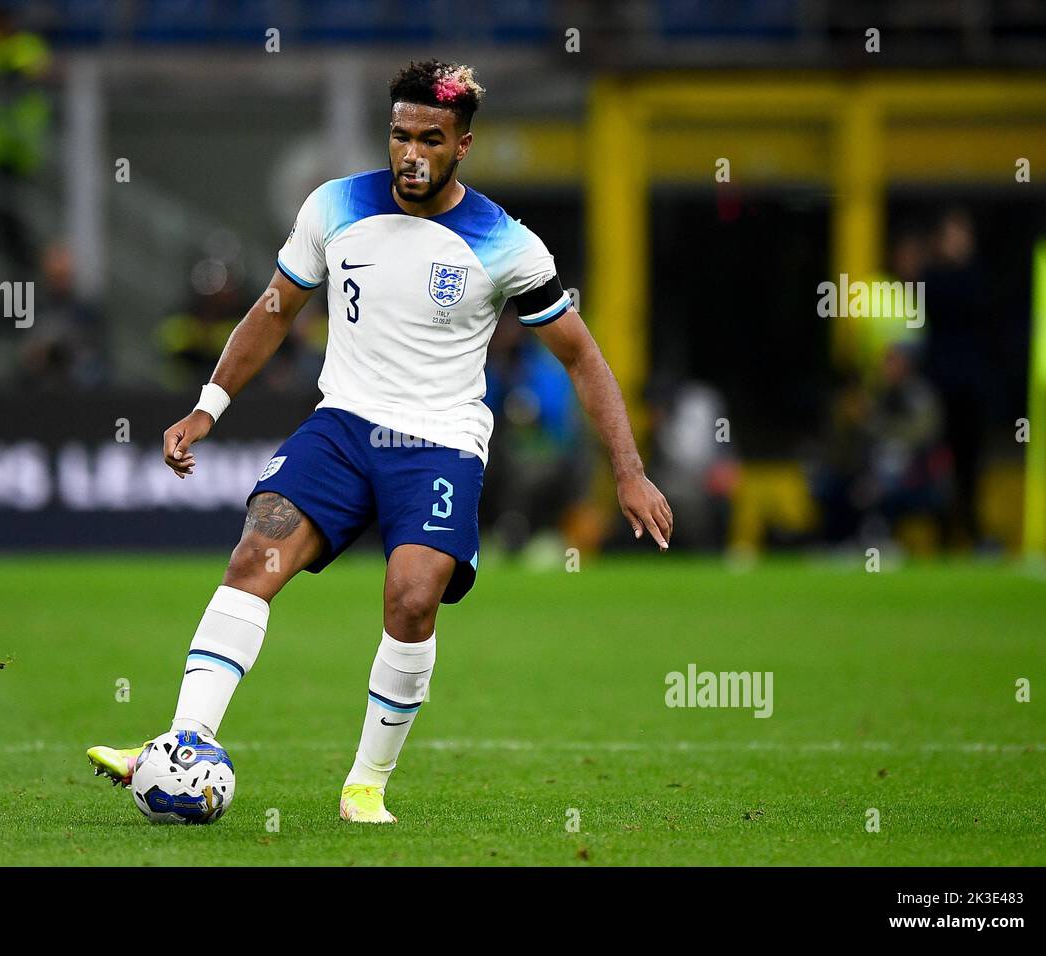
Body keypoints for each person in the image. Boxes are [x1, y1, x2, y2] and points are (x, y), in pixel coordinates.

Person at [86, 60, 672, 824]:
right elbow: (273, 309)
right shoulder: (335, 205)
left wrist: (627, 472)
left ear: (463, 144)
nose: (411, 152)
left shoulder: (505, 243)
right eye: (400, 134)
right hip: (343, 426)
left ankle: (365, 783)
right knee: (254, 555)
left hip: (439, 442)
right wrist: (208, 405)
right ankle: (181, 744)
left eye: (431, 137)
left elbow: (581, 355)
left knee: (413, 597)